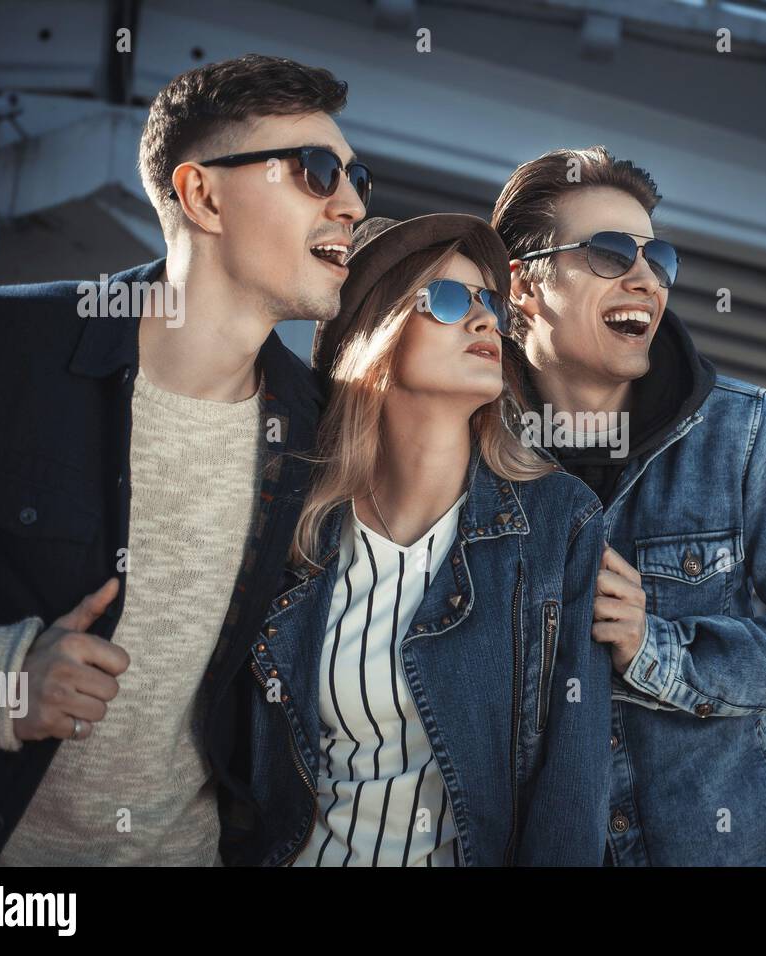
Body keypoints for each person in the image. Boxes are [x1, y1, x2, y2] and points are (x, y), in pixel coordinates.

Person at [0, 53, 367, 864]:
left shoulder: (319, 433)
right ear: (203, 195)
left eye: (354, 175)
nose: (352, 202)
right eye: (316, 171)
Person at [491, 146, 766, 866]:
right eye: (608, 252)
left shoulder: (744, 432)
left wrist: (653, 649)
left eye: (656, 256)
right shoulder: (469, 444)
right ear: (523, 286)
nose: (644, 276)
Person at [240, 213, 610, 867]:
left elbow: (571, 795)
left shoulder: (557, 524)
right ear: (374, 333)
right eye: (444, 298)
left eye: (487, 302)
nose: (482, 320)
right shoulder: (297, 527)